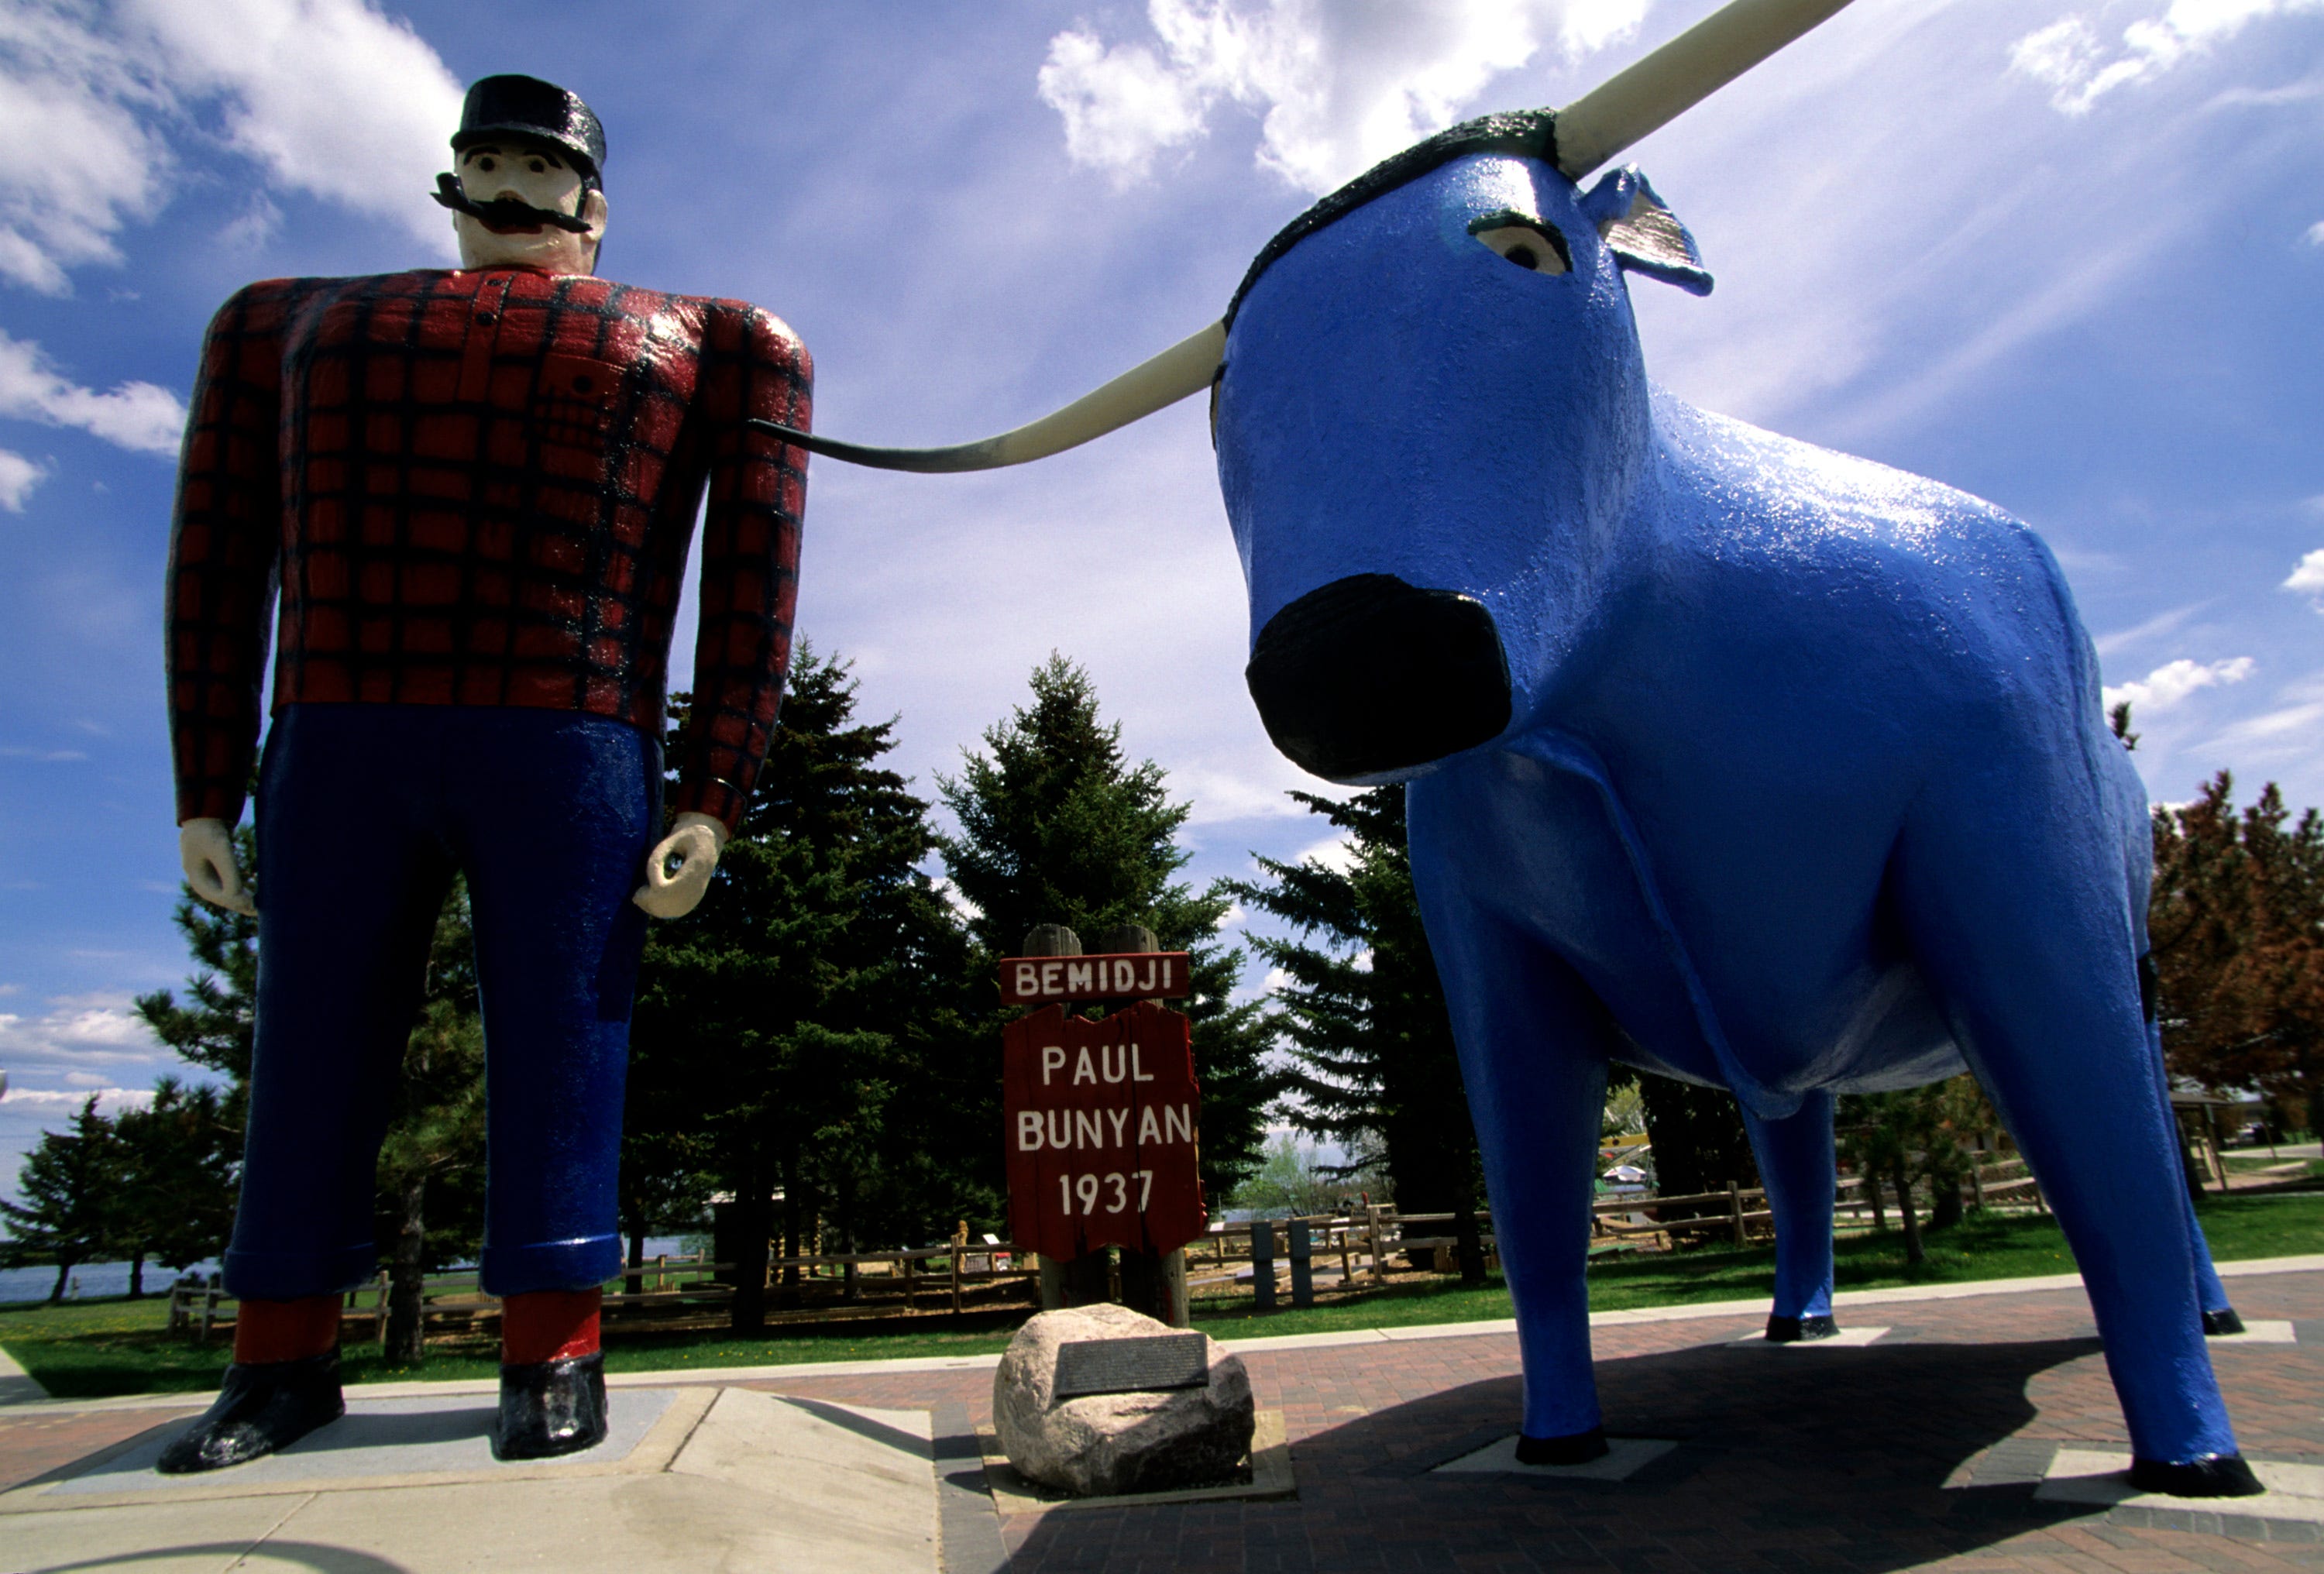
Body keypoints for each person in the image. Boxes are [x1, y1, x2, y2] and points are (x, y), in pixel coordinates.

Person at [160, 74, 810, 1470]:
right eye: (489, 161)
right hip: (338, 721)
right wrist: (204, 780)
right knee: (309, 1037)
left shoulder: (711, 341)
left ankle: (554, 1344)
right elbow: (218, 556)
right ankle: (278, 1357)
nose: (511, 187)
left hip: (571, 726)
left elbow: (755, 583)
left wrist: (714, 792)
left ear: (588, 199)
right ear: (457, 177)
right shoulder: (281, 322)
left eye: (539, 165)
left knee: (569, 1030)